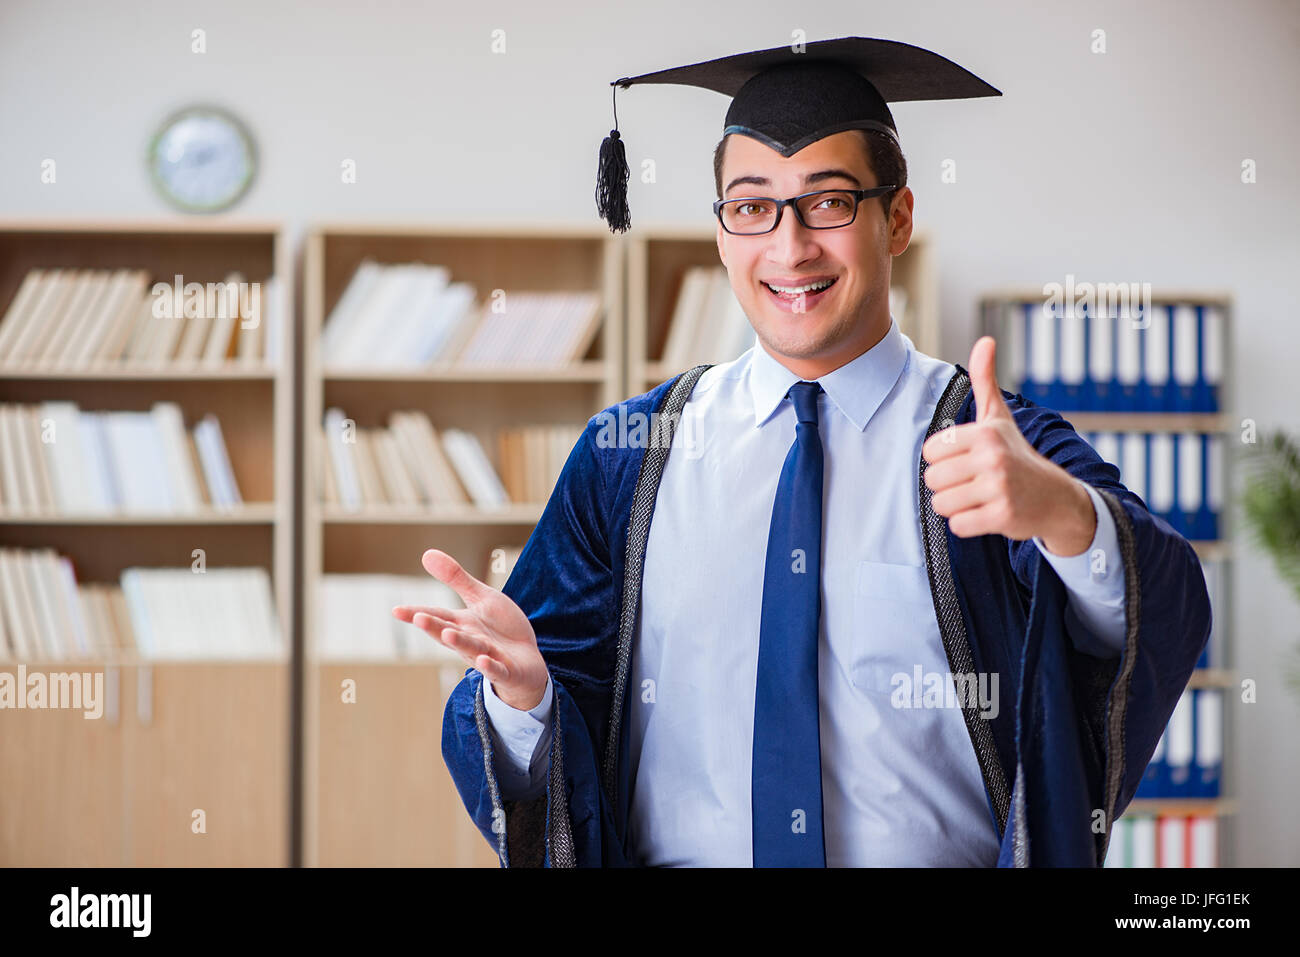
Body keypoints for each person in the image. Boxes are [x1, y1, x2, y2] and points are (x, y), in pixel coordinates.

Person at [392, 37, 1211, 867]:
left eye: (828, 203)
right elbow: (548, 734)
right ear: (721, 233)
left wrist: (1064, 514)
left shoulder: (994, 446)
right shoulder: (627, 459)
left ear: (897, 219)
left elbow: (1160, 607)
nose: (789, 249)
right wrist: (526, 698)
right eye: (752, 207)